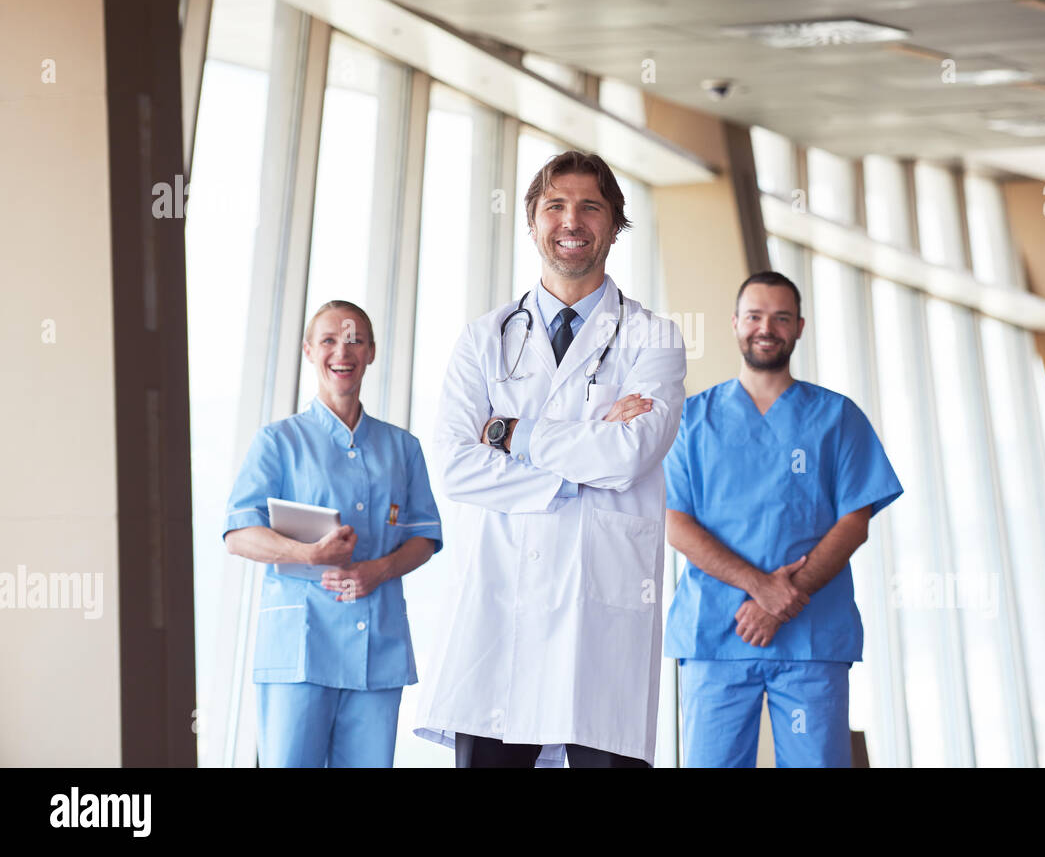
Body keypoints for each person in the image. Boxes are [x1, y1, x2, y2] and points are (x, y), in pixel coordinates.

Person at [413, 150, 686, 767]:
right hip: (498, 610)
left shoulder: (654, 337)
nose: (572, 220)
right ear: (532, 221)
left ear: (615, 224)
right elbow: (455, 465)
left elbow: (630, 455)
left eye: (591, 206)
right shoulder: (484, 339)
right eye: (555, 205)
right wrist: (582, 457)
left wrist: (514, 433)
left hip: (599, 614)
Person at [664, 271, 903, 767]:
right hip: (717, 633)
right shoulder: (690, 421)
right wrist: (762, 588)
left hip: (811, 637)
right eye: (754, 316)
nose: (765, 327)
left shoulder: (838, 418)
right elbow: (675, 522)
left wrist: (779, 603)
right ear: (735, 324)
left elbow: (854, 522)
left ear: (799, 327)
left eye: (780, 318)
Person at [223, 300, 441, 767]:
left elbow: (425, 536)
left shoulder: (403, 448)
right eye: (329, 340)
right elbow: (239, 533)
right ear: (308, 351)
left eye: (355, 340)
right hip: (299, 648)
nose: (342, 351)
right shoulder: (278, 441)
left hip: (376, 648)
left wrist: (379, 570)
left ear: (371, 353)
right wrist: (308, 553)